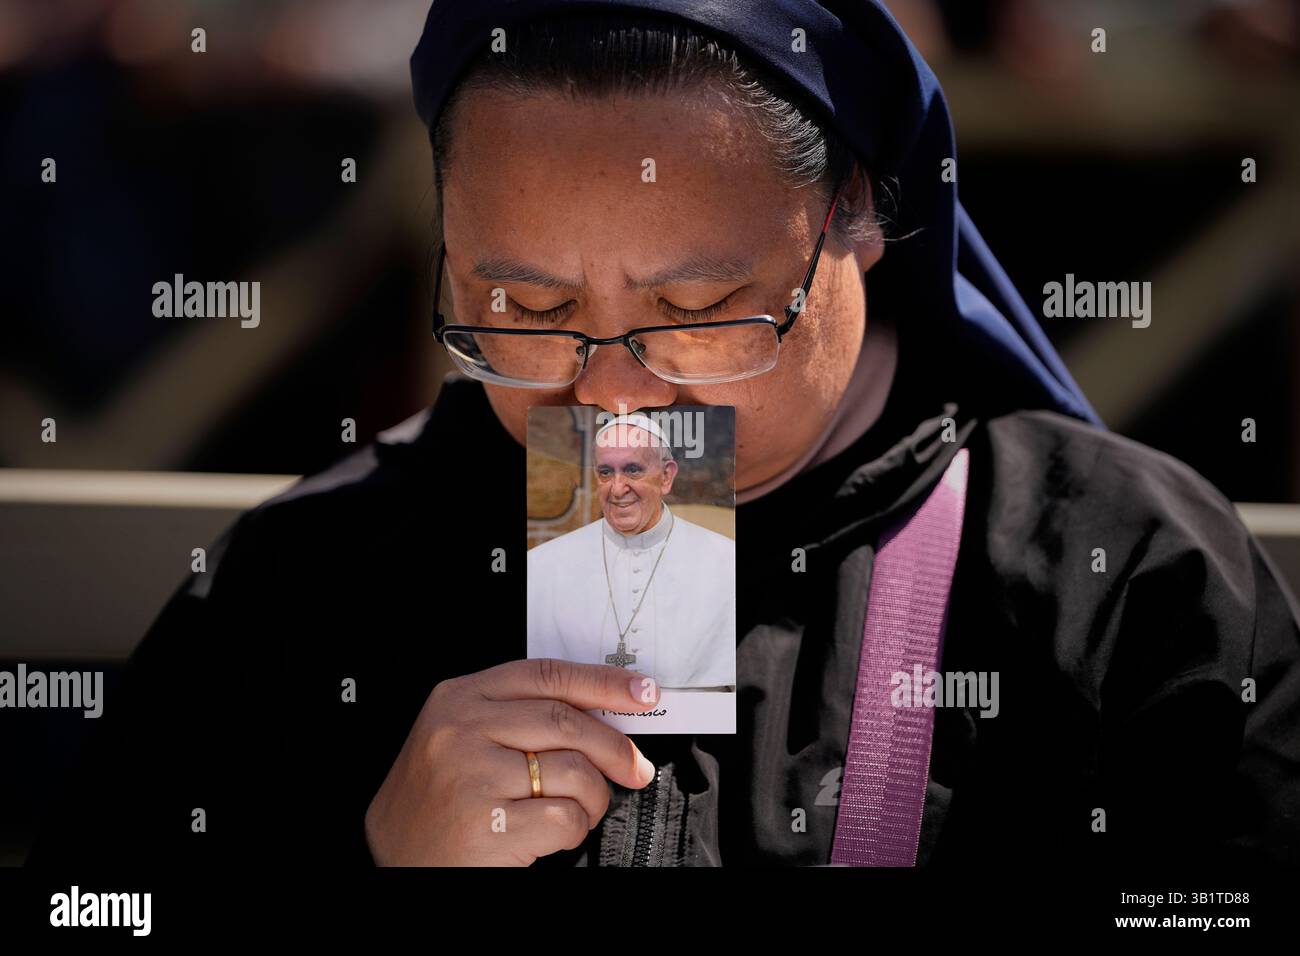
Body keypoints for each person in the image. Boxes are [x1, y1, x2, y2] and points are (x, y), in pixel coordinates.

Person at [26, 0, 1300, 869]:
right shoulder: (311, 582)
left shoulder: (1126, 576)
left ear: (858, 210)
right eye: (524, 309)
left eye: (695, 310)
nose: (614, 403)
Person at [527, 413, 736, 689]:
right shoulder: (541, 566)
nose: (617, 488)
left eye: (633, 470)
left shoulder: (725, 561)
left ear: (666, 476)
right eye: (605, 472)